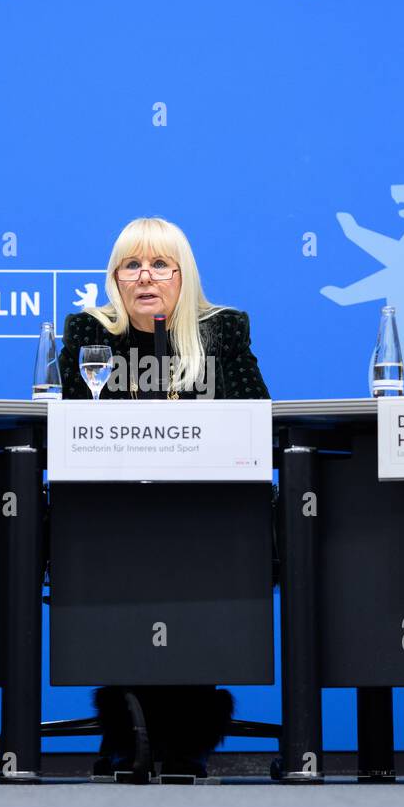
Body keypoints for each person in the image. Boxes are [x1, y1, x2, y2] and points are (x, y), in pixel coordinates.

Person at [58, 217, 269, 777]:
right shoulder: (88, 332)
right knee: (119, 543)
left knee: (196, 546)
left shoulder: (222, 330)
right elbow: (72, 426)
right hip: (113, 512)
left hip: (205, 513)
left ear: (183, 275)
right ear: (115, 277)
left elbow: (257, 420)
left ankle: (184, 731)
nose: (145, 277)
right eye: (132, 265)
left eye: (159, 265)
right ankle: (129, 725)